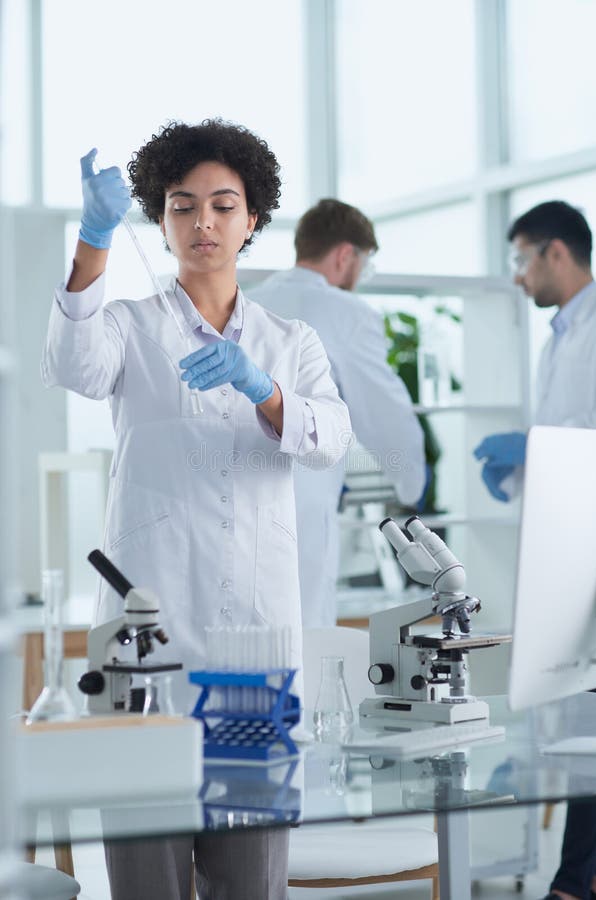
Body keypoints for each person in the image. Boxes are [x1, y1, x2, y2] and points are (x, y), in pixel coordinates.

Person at [41, 119, 351, 900]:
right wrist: (93, 239)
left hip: (253, 653)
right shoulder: (130, 329)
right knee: (147, 881)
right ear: (161, 218)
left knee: (250, 883)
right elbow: (71, 362)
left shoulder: (291, 341)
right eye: (183, 206)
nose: (203, 222)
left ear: (253, 220)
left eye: (223, 204)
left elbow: (331, 439)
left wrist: (265, 389)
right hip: (145, 653)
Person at [473, 200, 596, 900]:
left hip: (594, 543)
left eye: (522, 259)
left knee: (591, 718)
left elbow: (590, 433)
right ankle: (583, 874)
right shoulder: (561, 336)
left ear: (556, 252)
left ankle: (573, 878)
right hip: (570, 542)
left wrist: (534, 447)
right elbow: (567, 434)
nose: (518, 277)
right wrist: (518, 469)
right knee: (583, 713)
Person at [249, 198, 425, 626]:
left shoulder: (247, 299)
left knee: (245, 632)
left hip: (237, 493)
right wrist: (411, 481)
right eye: (364, 264)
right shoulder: (347, 312)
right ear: (346, 254)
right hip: (306, 496)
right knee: (305, 629)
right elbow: (383, 411)